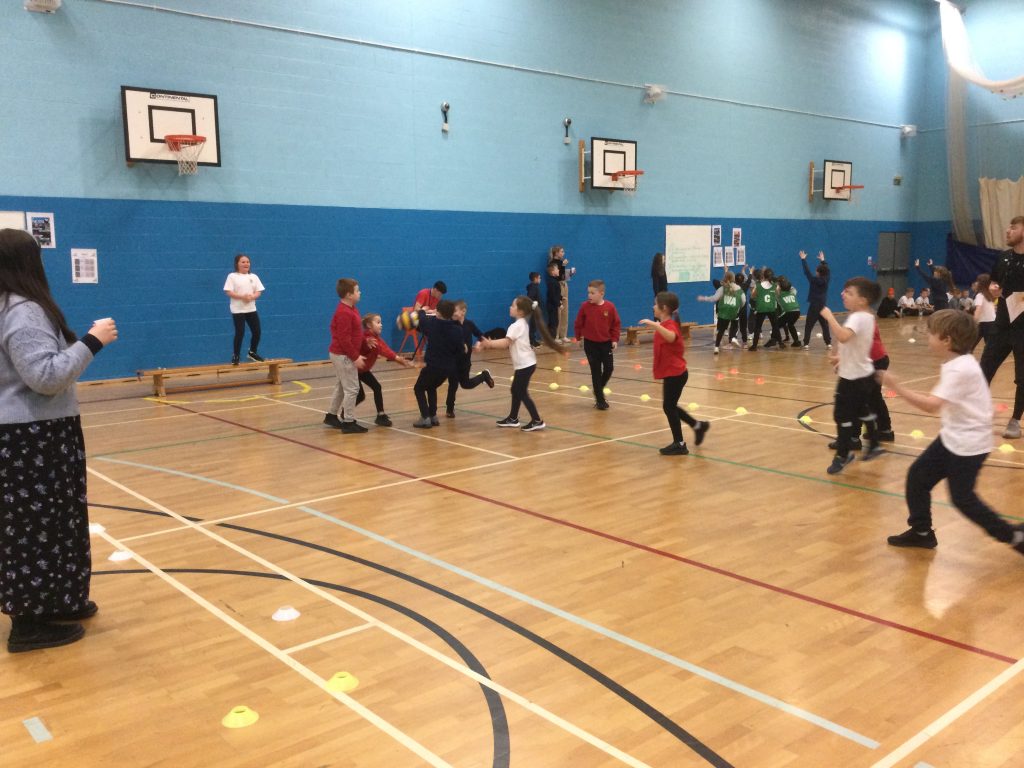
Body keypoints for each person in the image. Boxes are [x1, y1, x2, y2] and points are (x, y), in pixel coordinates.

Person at [0, 228, 118, 653]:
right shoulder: (22, 310)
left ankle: (59, 598)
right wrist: (92, 341)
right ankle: (29, 624)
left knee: (57, 521)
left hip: (37, 432)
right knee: (34, 528)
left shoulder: (14, 307)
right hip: (30, 436)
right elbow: (45, 377)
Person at [880, 310, 1024, 554]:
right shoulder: (958, 363)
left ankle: (1014, 536)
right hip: (953, 438)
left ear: (946, 340)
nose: (928, 337)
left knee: (963, 499)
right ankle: (922, 532)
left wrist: (896, 387)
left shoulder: (959, 369)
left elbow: (931, 406)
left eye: (931, 333)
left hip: (968, 446)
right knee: (918, 478)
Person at [820, 277, 883, 474]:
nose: (843, 294)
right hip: (864, 372)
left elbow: (844, 336)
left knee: (842, 415)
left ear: (862, 300)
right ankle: (874, 444)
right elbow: (857, 344)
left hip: (853, 378)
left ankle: (843, 453)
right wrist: (842, 358)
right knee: (862, 409)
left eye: (849, 292)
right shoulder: (867, 316)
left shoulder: (858, 317)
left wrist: (829, 317)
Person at [477, 297, 565, 431]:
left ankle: (537, 420)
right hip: (526, 364)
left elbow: (506, 343)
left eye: (513, 306)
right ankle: (513, 418)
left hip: (525, 365)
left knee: (521, 392)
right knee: (515, 390)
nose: (510, 307)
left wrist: (489, 343)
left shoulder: (516, 326)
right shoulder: (522, 323)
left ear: (520, 312)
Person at [638, 291, 710, 455]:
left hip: (676, 374)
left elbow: (671, 337)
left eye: (655, 304)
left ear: (664, 308)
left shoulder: (669, 325)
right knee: (670, 406)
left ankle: (680, 444)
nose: (653, 307)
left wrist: (655, 325)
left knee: (669, 407)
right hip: (673, 373)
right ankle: (698, 426)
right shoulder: (665, 324)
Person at [980, 215, 1024, 439]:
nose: (1008, 231)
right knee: (984, 369)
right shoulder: (1003, 258)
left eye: (1014, 227)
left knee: (1022, 377)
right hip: (1002, 325)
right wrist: (994, 288)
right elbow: (994, 282)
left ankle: (1015, 420)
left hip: (1023, 329)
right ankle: (976, 415)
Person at [354, 313, 416, 427]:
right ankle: (345, 414)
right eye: (378, 322)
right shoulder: (369, 338)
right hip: (354, 370)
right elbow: (383, 350)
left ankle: (381, 415)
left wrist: (398, 359)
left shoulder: (375, 338)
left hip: (362, 370)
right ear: (369, 325)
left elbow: (385, 348)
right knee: (360, 395)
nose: (381, 325)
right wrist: (398, 359)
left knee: (377, 387)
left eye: (381, 322)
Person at [411, 299, 464, 428]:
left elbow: (420, 318)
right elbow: (460, 350)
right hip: (447, 369)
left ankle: (425, 417)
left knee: (418, 388)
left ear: (438, 312)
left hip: (432, 366)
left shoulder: (432, 324)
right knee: (431, 387)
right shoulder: (457, 330)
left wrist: (422, 311)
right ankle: (433, 416)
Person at [325, 278, 367, 434]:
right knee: (352, 389)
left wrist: (365, 341)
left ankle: (331, 416)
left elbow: (355, 332)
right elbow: (344, 339)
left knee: (342, 387)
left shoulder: (352, 309)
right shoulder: (344, 312)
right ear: (349, 294)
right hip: (343, 356)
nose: (360, 292)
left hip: (342, 354)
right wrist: (355, 357)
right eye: (357, 290)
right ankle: (349, 422)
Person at [574, 279, 621, 410]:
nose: (589, 295)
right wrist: (578, 337)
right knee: (595, 370)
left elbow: (616, 324)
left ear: (601, 293)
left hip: (606, 344)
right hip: (590, 345)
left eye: (592, 293)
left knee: (609, 368)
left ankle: (598, 389)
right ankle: (600, 400)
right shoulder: (585, 306)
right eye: (588, 292)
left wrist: (614, 339)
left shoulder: (610, 307)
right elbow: (578, 323)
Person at [444, 299, 495, 418]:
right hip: (453, 361)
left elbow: (480, 335)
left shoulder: (469, 324)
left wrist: (479, 343)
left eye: (455, 311)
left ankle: (484, 376)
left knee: (466, 384)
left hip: (465, 361)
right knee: (453, 385)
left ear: (463, 311)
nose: (453, 313)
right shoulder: (450, 324)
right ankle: (449, 409)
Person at [223, 253, 265, 365]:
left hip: (251, 309)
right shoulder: (232, 276)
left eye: (247, 262)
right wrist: (242, 297)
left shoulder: (254, 277)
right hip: (238, 310)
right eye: (243, 262)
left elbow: (259, 291)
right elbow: (228, 291)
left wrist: (252, 297)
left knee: (257, 332)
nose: (246, 264)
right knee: (240, 333)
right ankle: (236, 355)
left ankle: (252, 352)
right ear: (237, 264)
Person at [697, 270, 745, 353]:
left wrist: (704, 298)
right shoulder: (739, 288)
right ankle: (733, 337)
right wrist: (739, 307)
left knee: (721, 330)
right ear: (734, 278)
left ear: (725, 278)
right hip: (734, 310)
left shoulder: (722, 288)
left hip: (724, 312)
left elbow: (714, 298)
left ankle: (716, 347)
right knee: (734, 323)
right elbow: (743, 301)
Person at [800, 250, 831, 349]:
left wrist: (803, 259)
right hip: (823, 305)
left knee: (809, 325)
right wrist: (823, 260)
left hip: (814, 306)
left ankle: (806, 344)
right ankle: (828, 343)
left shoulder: (813, 280)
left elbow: (807, 272)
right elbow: (827, 270)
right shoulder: (826, 279)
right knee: (825, 325)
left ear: (818, 272)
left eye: (816, 270)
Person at [749, 268, 782, 351]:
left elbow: (752, 296)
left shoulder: (758, 285)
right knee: (775, 326)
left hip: (761, 308)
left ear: (763, 276)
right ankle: (781, 343)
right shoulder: (774, 286)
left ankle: (754, 346)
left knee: (757, 327)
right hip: (771, 308)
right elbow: (778, 294)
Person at [549, 245, 573, 343]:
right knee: (558, 311)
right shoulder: (552, 263)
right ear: (556, 253)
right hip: (558, 285)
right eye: (562, 251)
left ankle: (563, 335)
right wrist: (562, 266)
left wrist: (570, 273)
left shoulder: (561, 262)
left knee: (565, 311)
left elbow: (562, 276)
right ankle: (556, 335)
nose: (563, 253)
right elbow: (556, 276)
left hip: (564, 284)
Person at [971, 273, 997, 351]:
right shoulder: (988, 295)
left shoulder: (980, 295)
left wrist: (974, 321)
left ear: (981, 283)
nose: (976, 283)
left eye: (978, 281)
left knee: (987, 345)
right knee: (973, 342)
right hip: (989, 322)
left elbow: (978, 309)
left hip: (986, 323)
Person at [776, 275, 802, 347]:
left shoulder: (780, 295)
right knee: (790, 325)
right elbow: (790, 287)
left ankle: (778, 342)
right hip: (797, 312)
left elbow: (777, 290)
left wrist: (778, 284)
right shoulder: (792, 292)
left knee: (776, 325)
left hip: (789, 312)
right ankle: (796, 341)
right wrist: (784, 282)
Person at [544, 261, 562, 342]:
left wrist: (561, 298)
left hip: (553, 305)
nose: (558, 270)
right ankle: (552, 339)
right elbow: (552, 295)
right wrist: (559, 304)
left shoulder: (554, 281)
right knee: (553, 322)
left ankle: (551, 339)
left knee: (554, 322)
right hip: (552, 306)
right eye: (557, 269)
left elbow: (556, 293)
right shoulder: (552, 282)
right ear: (552, 272)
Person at [525, 272, 542, 346]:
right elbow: (530, 297)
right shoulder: (533, 287)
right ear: (535, 279)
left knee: (534, 325)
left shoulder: (534, 287)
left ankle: (532, 340)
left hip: (535, 309)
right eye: (539, 278)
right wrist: (534, 305)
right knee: (533, 325)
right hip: (533, 310)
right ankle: (532, 341)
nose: (540, 279)